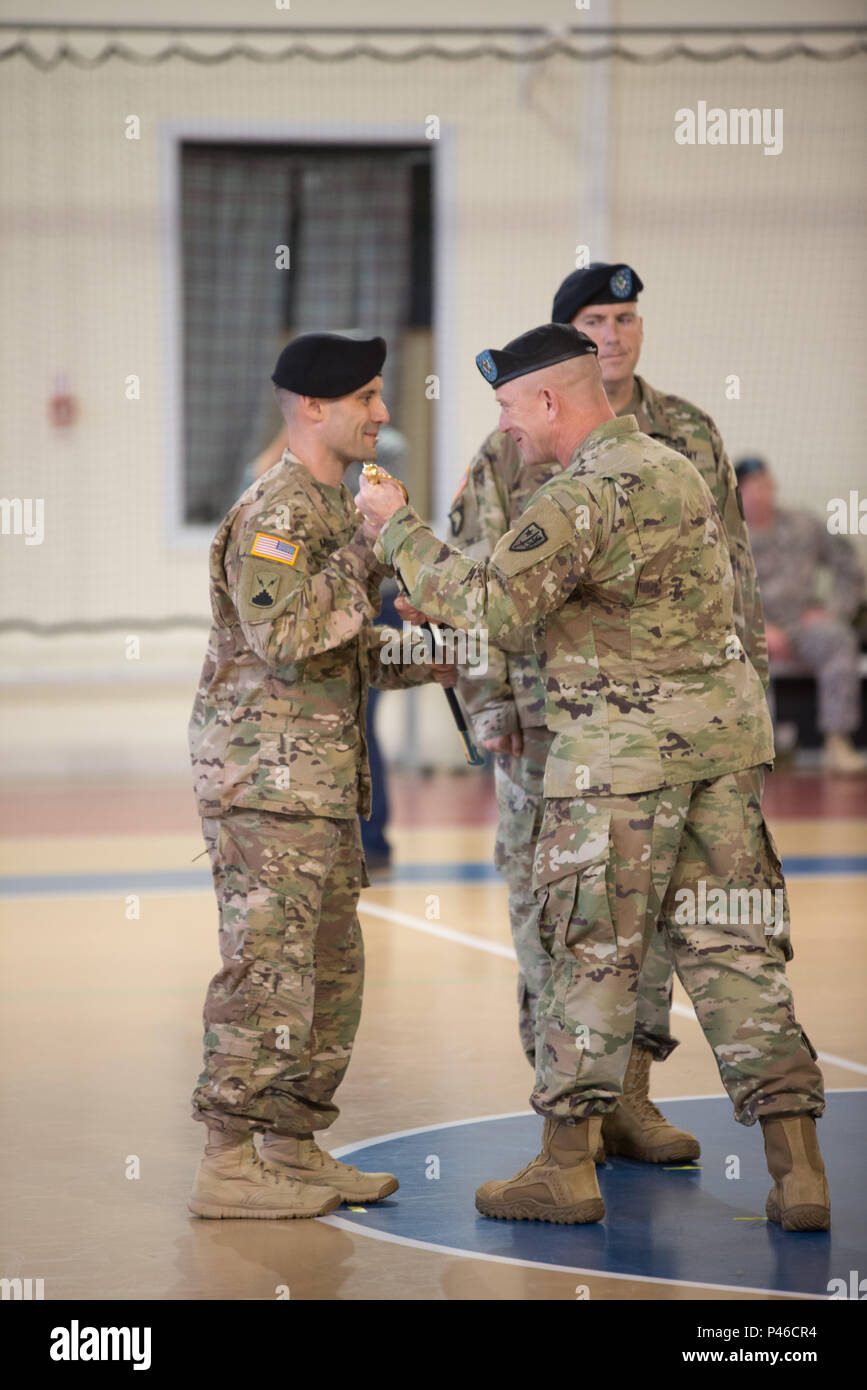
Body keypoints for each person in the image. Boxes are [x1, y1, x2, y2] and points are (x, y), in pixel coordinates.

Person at [357, 323, 828, 1232]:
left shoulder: (577, 494)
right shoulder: (674, 467)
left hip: (620, 766)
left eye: (507, 409)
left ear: (547, 400)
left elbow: (492, 604)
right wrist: (462, 584)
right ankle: (797, 1174)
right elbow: (606, 607)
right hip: (721, 756)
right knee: (739, 958)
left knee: (592, 959)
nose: (507, 430)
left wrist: (398, 531)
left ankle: (564, 1171)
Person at [446, 263, 767, 1164]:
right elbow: (474, 584)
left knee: (660, 922)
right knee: (560, 921)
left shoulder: (689, 433)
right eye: (595, 320)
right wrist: (489, 707)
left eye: (625, 317)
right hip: (552, 729)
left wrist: (751, 702)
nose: (615, 334)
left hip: (681, 730)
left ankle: (629, 1097)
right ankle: (567, 1119)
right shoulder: (513, 443)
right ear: (567, 344)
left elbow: (733, 574)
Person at [187, 332, 455, 1219]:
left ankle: (291, 1147)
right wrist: (374, 547)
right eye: (368, 398)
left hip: (320, 788)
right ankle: (228, 1165)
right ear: (312, 407)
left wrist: (434, 656)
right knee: (265, 976)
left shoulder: (329, 506)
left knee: (330, 976)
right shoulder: (277, 514)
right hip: (265, 788)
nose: (383, 414)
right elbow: (291, 638)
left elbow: (342, 649)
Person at [736, 455, 866, 773]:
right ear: (736, 492)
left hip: (803, 624)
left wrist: (832, 612)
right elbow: (715, 594)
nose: (761, 494)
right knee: (737, 652)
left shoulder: (802, 525)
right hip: (751, 629)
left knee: (837, 639)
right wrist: (758, 627)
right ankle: (758, 752)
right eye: (752, 488)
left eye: (766, 485)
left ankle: (838, 743)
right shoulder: (726, 537)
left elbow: (850, 568)